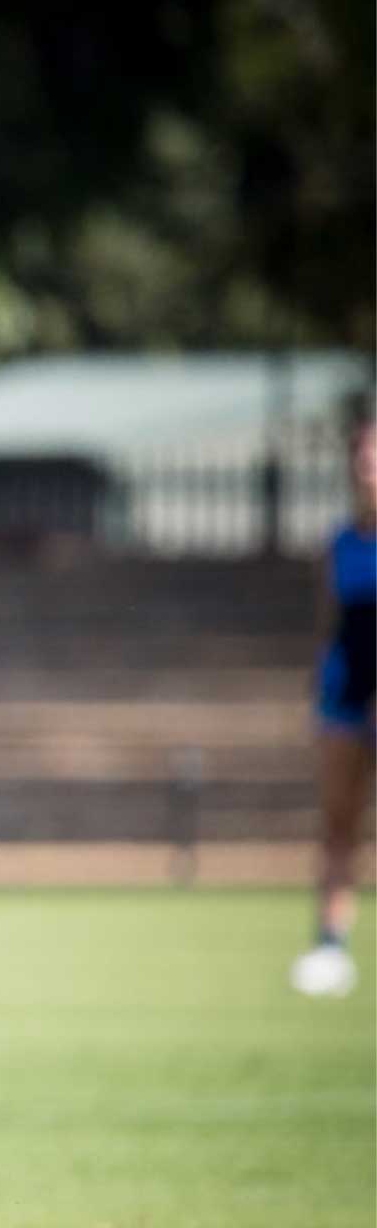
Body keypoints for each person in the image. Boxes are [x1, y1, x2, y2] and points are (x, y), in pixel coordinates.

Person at [291, 411, 375, 998]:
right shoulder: (339, 543)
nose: (368, 469)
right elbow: (327, 627)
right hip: (344, 701)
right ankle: (330, 945)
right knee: (338, 827)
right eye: (362, 458)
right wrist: (321, 693)